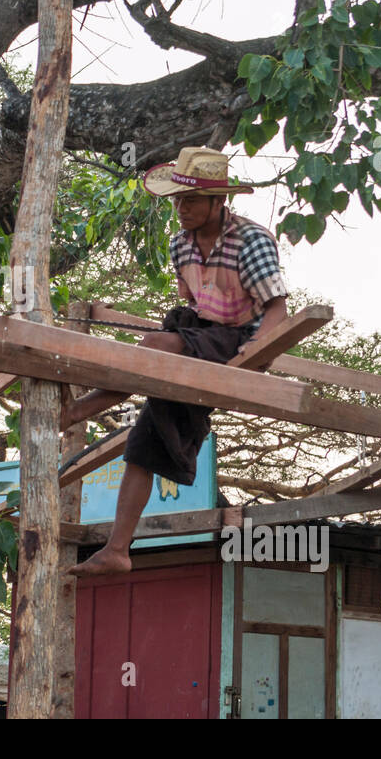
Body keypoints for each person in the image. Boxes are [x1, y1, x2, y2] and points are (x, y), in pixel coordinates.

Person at [62, 147, 289, 576]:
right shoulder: (180, 244)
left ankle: (80, 408)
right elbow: (193, 303)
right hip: (200, 333)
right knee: (143, 445)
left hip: (241, 339)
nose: (181, 209)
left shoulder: (251, 240)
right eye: (177, 201)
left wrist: (254, 350)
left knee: (150, 346)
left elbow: (277, 310)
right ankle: (117, 550)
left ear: (219, 202)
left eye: (191, 201)